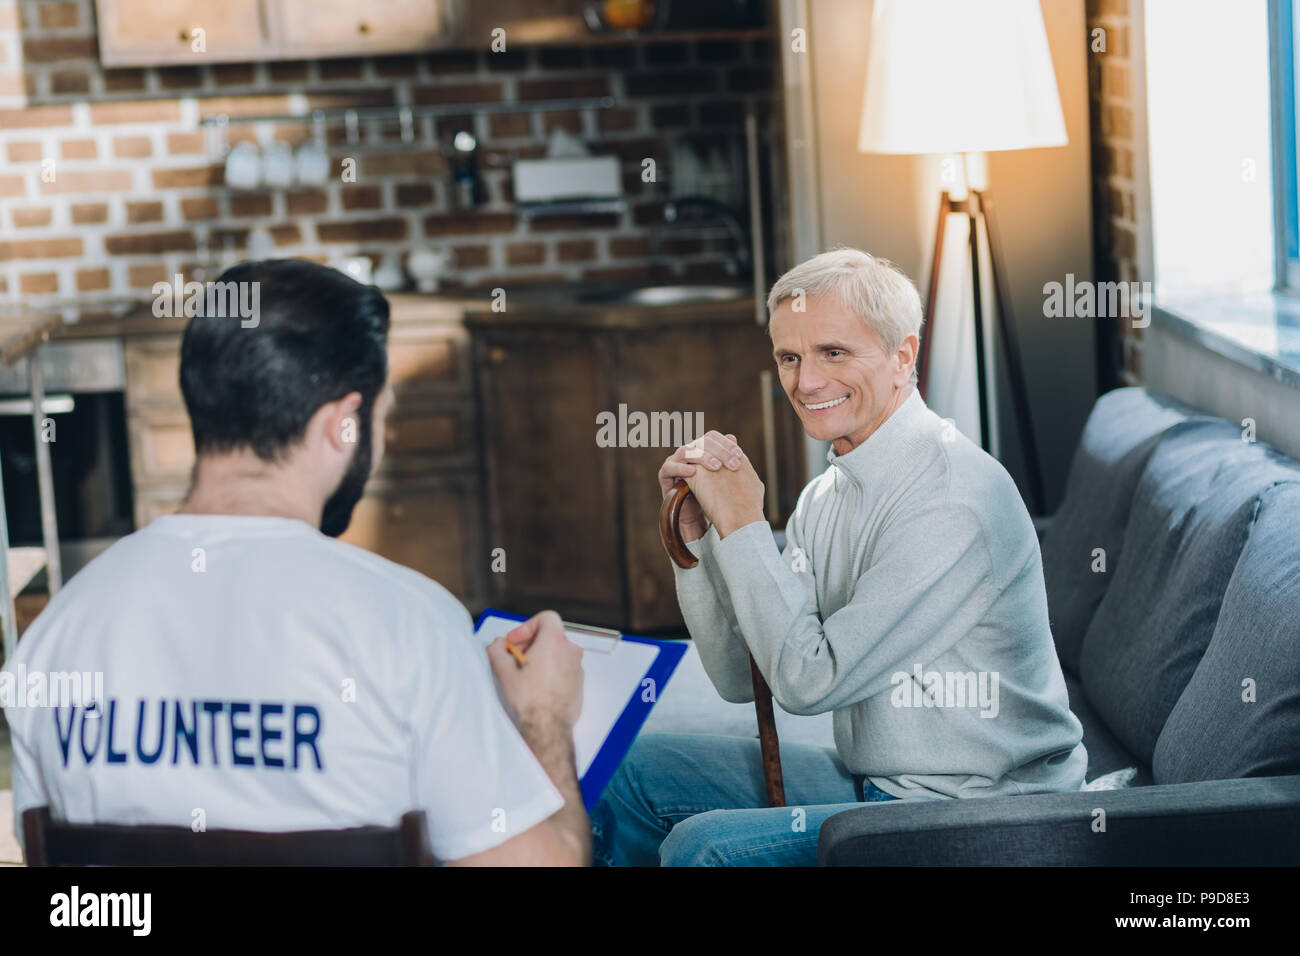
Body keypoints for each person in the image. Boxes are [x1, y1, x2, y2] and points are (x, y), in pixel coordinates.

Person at [1, 259, 588, 866]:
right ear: (343, 427)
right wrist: (544, 718)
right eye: (381, 417)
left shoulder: (53, 639)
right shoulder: (410, 625)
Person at [591, 248, 1087, 866]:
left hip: (978, 813)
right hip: (875, 788)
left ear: (902, 357)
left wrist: (745, 523)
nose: (805, 382)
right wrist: (699, 541)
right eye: (789, 358)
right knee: (627, 772)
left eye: (834, 353)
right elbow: (742, 675)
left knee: (705, 848)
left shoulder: (953, 500)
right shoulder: (829, 492)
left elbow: (807, 681)